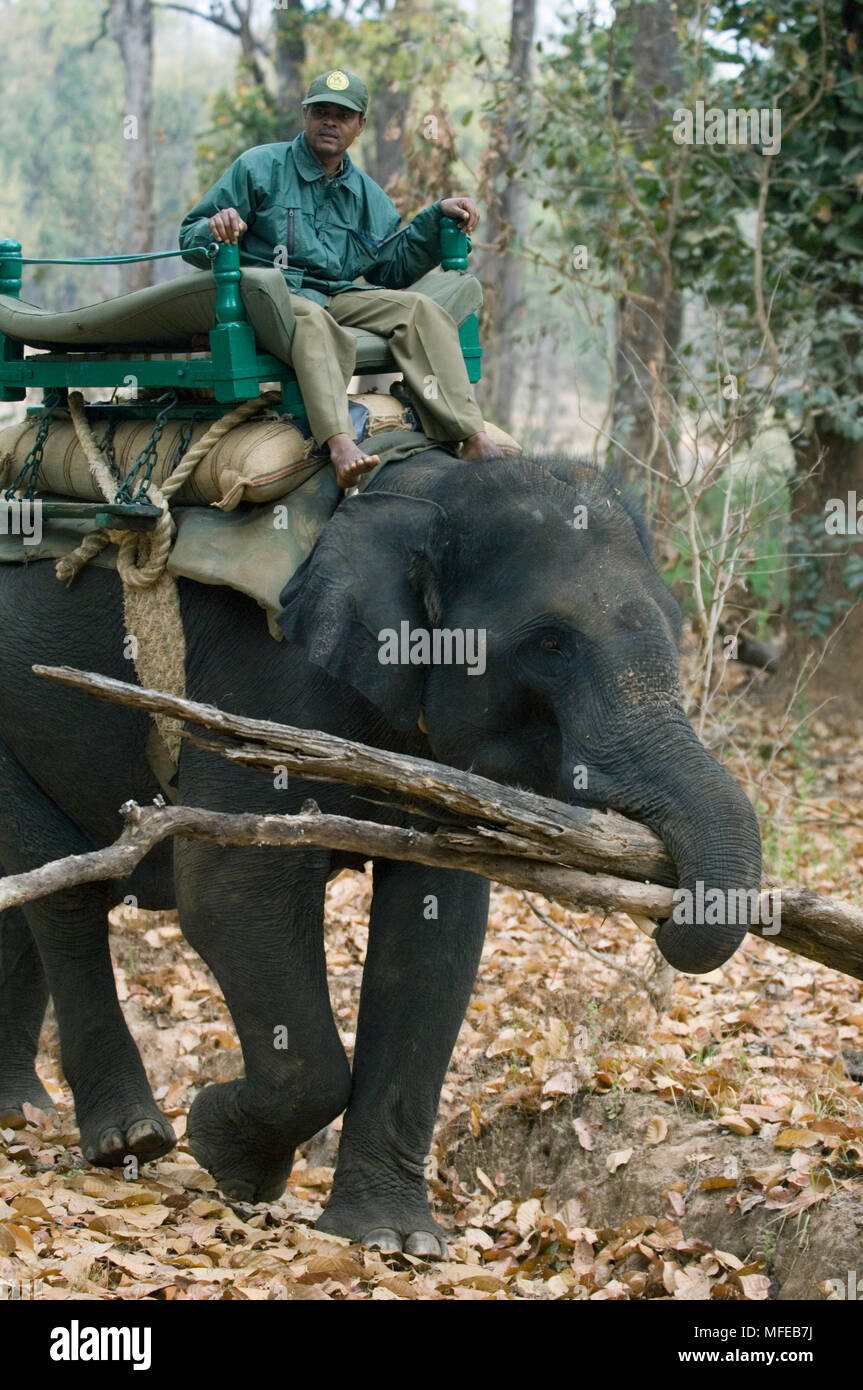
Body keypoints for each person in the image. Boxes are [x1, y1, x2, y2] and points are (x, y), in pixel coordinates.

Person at [179, 67, 501, 489]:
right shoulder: (260, 167)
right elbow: (190, 236)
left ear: (360, 126)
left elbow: (392, 268)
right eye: (321, 112)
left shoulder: (364, 193)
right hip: (270, 295)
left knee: (421, 309)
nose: (330, 122)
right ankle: (340, 443)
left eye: (343, 116)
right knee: (312, 320)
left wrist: (435, 215)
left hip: (337, 295)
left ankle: (470, 435)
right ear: (305, 115)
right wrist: (217, 225)